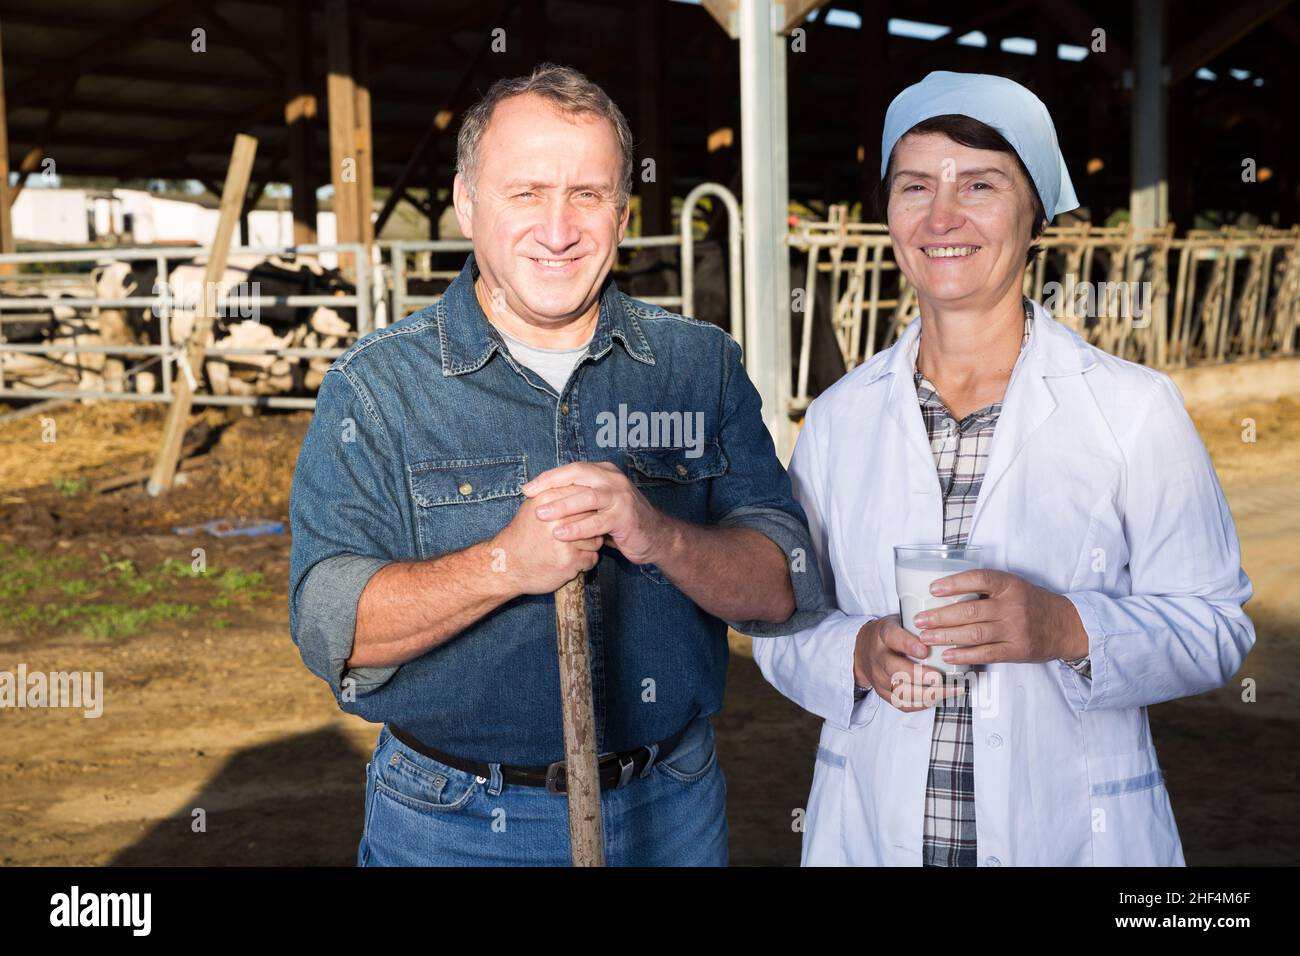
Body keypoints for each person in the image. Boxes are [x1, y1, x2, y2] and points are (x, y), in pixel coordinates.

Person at [288, 64, 823, 866]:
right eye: (526, 192)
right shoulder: (380, 386)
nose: (559, 228)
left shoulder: (697, 366)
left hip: (668, 810)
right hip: (453, 823)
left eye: (587, 195)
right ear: (468, 205)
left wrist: (658, 535)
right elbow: (332, 624)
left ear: (623, 212)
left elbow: (785, 581)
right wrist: (506, 563)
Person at [752, 71, 1255, 866]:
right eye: (914, 185)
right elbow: (785, 624)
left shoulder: (1132, 409)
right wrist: (855, 652)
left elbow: (1217, 626)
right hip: (875, 833)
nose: (941, 216)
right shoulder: (840, 417)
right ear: (888, 211)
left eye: (980, 184)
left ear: (1035, 215)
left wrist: (1069, 628)